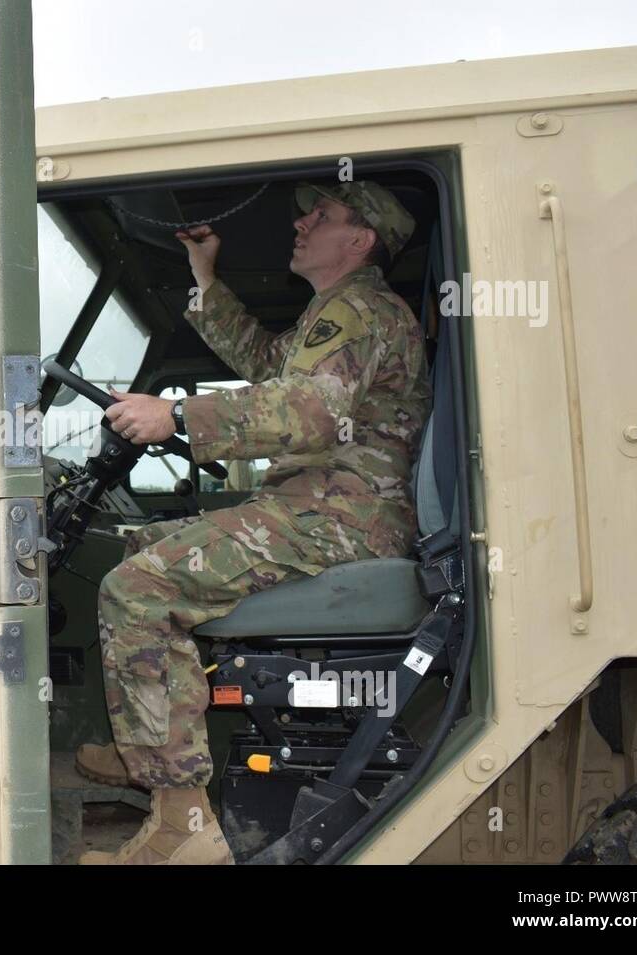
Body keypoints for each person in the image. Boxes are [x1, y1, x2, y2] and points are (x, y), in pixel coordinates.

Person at [75, 180, 431, 865]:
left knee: (139, 587)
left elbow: (308, 413)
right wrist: (203, 276)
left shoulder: (362, 308)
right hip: (323, 505)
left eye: (320, 215)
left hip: (346, 514)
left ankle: (182, 827)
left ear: (359, 240)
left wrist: (173, 415)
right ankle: (150, 741)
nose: (302, 222)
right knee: (139, 545)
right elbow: (270, 368)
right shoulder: (337, 311)